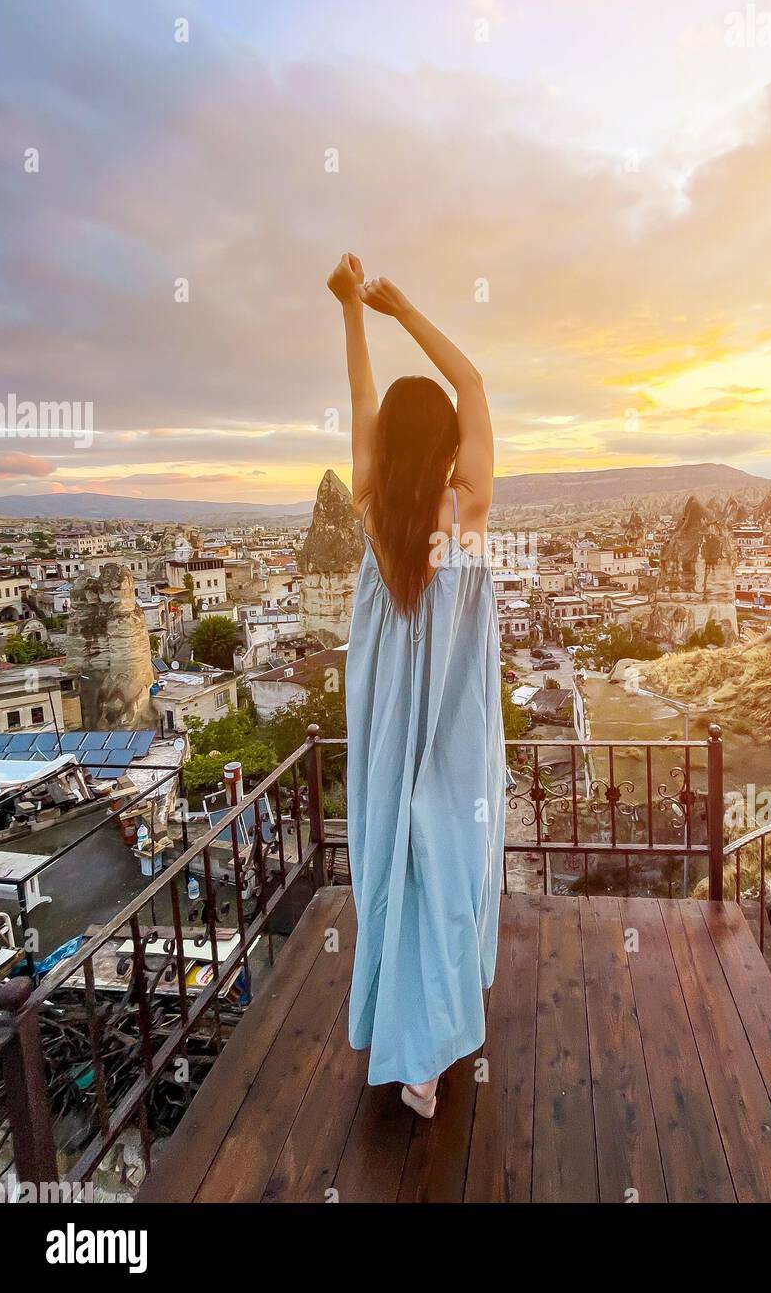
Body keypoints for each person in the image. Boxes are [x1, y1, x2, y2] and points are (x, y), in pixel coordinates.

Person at [326, 252, 505, 1120]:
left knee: (395, 863)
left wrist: (350, 314)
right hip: (458, 721)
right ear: (441, 444)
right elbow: (468, 379)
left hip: (390, 719)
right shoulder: (464, 510)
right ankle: (433, 1046)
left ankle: (407, 1041)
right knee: (451, 863)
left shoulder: (371, 511)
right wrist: (398, 308)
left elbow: (362, 409)